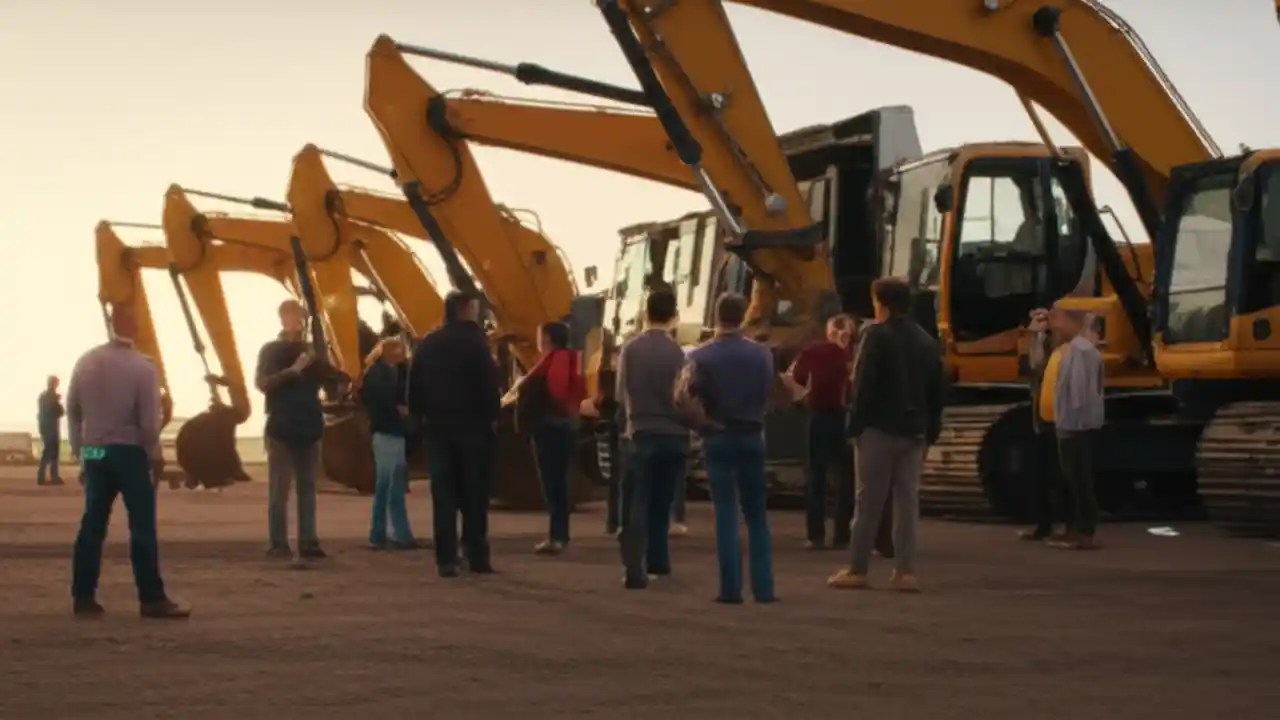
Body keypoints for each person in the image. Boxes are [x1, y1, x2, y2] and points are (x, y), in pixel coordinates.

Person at [68, 303, 188, 618]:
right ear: (135, 328)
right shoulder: (143, 367)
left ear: (110, 325)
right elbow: (149, 422)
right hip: (128, 451)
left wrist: (81, 452)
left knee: (92, 523)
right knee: (141, 525)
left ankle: (83, 596)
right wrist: (156, 454)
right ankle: (151, 598)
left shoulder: (86, 361)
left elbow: (73, 409)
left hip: (95, 451)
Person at [829, 278, 945, 593]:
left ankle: (858, 568)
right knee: (907, 501)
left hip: (878, 429)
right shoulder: (926, 341)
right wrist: (930, 430)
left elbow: (862, 384)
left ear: (882, 303)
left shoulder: (876, 335)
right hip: (915, 431)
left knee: (869, 500)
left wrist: (854, 426)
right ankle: (905, 572)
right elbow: (937, 391)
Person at [682, 293, 777, 604]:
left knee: (725, 512)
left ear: (717, 315)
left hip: (719, 436)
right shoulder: (762, 355)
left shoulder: (699, 356)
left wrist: (703, 425)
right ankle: (764, 588)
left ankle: (730, 588)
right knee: (757, 514)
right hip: (753, 435)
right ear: (742, 317)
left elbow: (681, 398)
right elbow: (771, 393)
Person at [409, 290, 500, 577]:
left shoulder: (428, 344)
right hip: (473, 430)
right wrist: (492, 418)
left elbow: (414, 391)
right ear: (466, 309)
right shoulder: (476, 344)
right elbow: (488, 386)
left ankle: (446, 559)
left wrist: (422, 419)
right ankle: (477, 556)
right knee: (475, 495)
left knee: (444, 496)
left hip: (438, 430)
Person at [616, 288, 691, 589]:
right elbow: (684, 395)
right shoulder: (678, 352)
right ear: (674, 315)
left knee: (637, 502)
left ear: (646, 313)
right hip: (674, 435)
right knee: (662, 501)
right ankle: (659, 562)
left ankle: (634, 567)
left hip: (642, 432)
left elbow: (621, 394)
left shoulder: (631, 349)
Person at [255, 299, 327, 561]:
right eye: (291, 315)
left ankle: (308, 541)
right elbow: (263, 383)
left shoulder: (314, 350)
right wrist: (293, 371)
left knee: (308, 489)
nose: (296, 320)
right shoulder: (271, 350)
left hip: (309, 424)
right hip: (282, 426)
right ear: (282, 317)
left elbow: (329, 379)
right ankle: (278, 543)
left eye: (300, 315)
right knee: (279, 490)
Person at [515, 321, 587, 555]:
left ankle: (557, 536)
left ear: (546, 338)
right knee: (559, 482)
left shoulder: (556, 359)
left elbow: (556, 391)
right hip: (565, 427)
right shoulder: (573, 359)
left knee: (552, 483)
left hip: (550, 428)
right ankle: (559, 533)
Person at [791, 314, 857, 549]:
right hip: (847, 418)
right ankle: (842, 536)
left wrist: (804, 398)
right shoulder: (855, 354)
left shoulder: (812, 351)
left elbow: (795, 378)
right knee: (846, 478)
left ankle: (815, 535)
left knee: (816, 477)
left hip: (818, 417)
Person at [1045, 310, 1105, 551]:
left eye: (1058, 320)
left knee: (1079, 478)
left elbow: (1080, 392)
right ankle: (1075, 528)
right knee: (1072, 478)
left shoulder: (1080, 351)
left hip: (1074, 423)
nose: (1054, 326)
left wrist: (1071, 419)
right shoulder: (1076, 349)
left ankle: (1085, 531)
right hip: (1072, 422)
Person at [360, 337, 420, 550]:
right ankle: (384, 534)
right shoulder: (381, 374)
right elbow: (384, 400)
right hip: (388, 432)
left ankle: (395, 534)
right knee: (388, 486)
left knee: (391, 486)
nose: (400, 352)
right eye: (396, 348)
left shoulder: (386, 372)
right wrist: (399, 409)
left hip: (391, 432)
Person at [1018, 308, 1070, 542]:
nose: (1040, 323)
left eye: (1044, 318)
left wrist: (1038, 338)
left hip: (1056, 414)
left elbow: (1040, 367)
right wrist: (1031, 337)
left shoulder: (1060, 345)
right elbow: (1027, 368)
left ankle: (1067, 524)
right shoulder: (1036, 341)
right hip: (1040, 413)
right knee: (1041, 471)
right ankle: (1044, 523)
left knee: (1061, 472)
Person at [37, 375, 66, 486]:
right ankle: (48, 477)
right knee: (51, 452)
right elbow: (59, 412)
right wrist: (56, 401)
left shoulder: (43, 396)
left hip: (46, 427)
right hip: (51, 427)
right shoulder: (51, 397)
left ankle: (47, 476)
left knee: (50, 452)